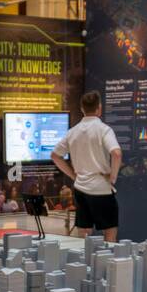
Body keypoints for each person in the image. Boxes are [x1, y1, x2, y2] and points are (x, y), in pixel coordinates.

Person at [52, 90, 123, 241]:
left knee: (84, 234)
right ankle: (109, 264)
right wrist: (113, 177)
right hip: (101, 189)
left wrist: (73, 175)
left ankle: (84, 263)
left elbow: (55, 156)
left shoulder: (72, 132)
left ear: (82, 109)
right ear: (99, 108)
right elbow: (116, 153)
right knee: (109, 234)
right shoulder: (104, 130)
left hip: (81, 188)